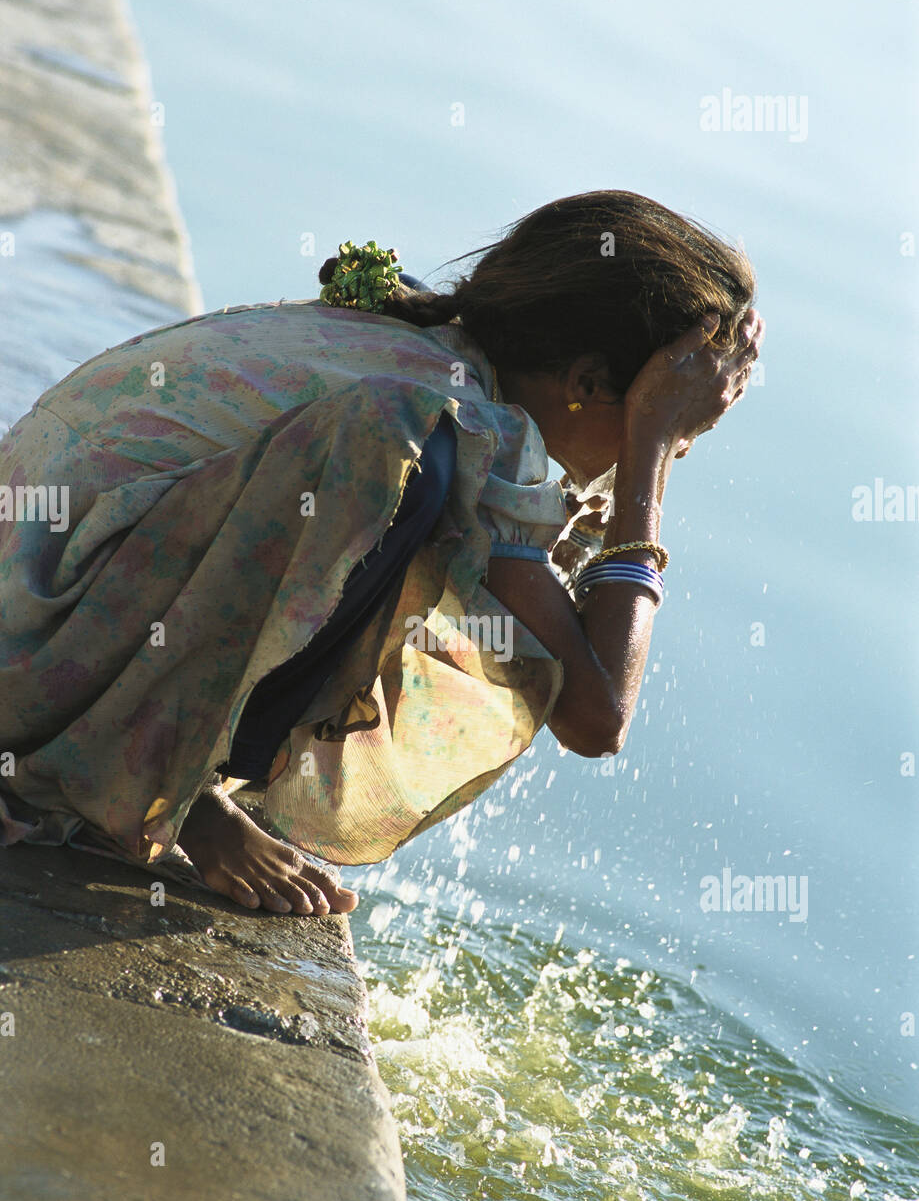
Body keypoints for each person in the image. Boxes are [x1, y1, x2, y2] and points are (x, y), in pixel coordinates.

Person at [0, 191, 763, 916]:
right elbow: (596, 716)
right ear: (588, 382)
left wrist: (644, 434)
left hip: (31, 595)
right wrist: (646, 458)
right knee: (412, 472)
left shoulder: (427, 345)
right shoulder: (451, 422)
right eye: (680, 430)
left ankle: (170, 761)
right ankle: (163, 786)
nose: (681, 452)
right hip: (35, 659)